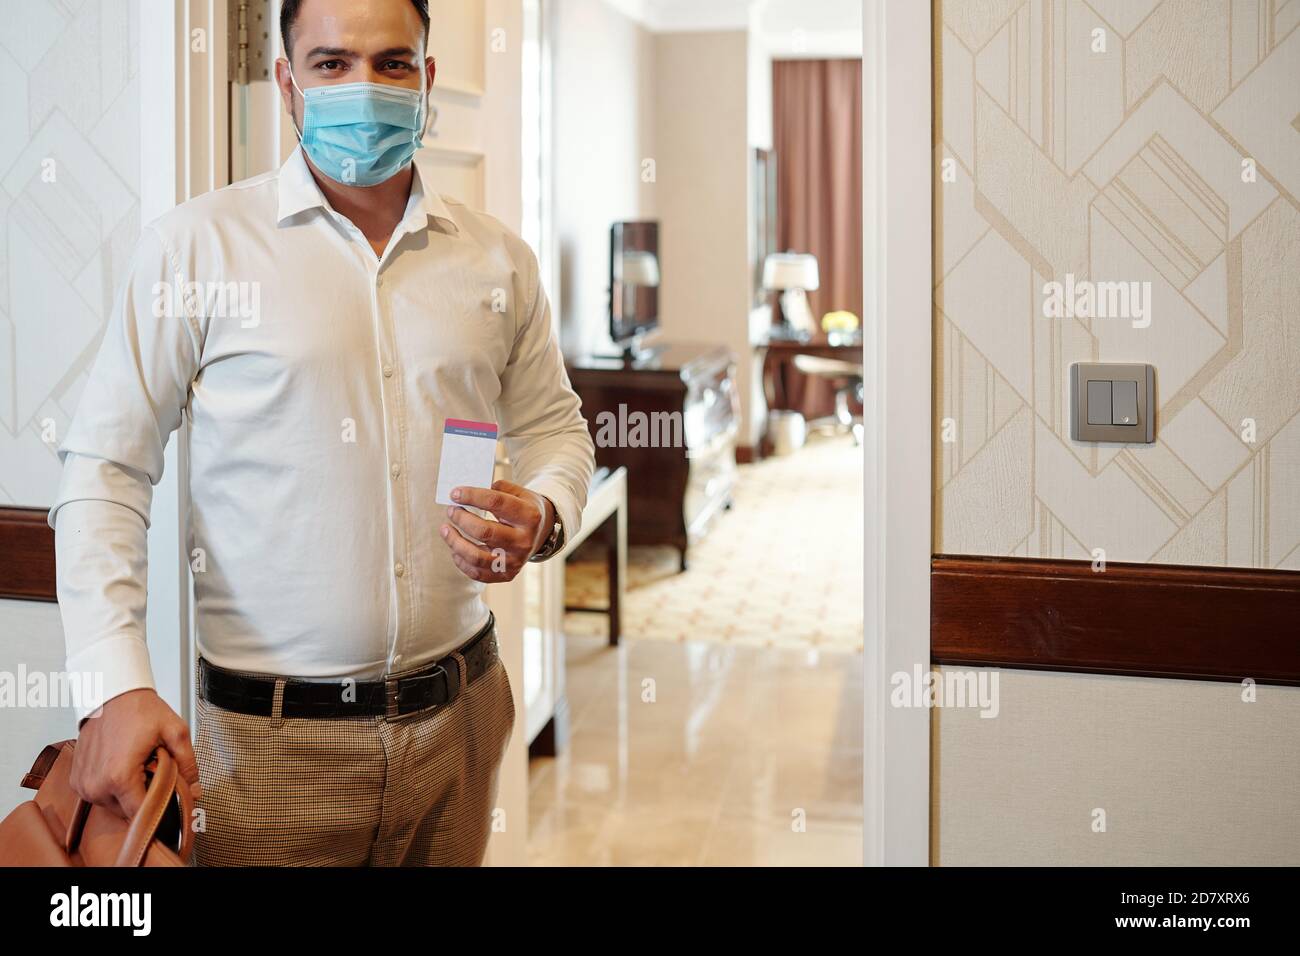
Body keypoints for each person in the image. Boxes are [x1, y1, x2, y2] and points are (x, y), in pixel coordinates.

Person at [47, 0, 594, 866]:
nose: (364, 88)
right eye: (332, 64)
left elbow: (556, 428)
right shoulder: (196, 251)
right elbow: (104, 469)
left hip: (461, 719)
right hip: (262, 753)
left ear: (427, 79)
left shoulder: (498, 262)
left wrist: (548, 512)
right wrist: (113, 686)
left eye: (392, 63)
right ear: (286, 81)